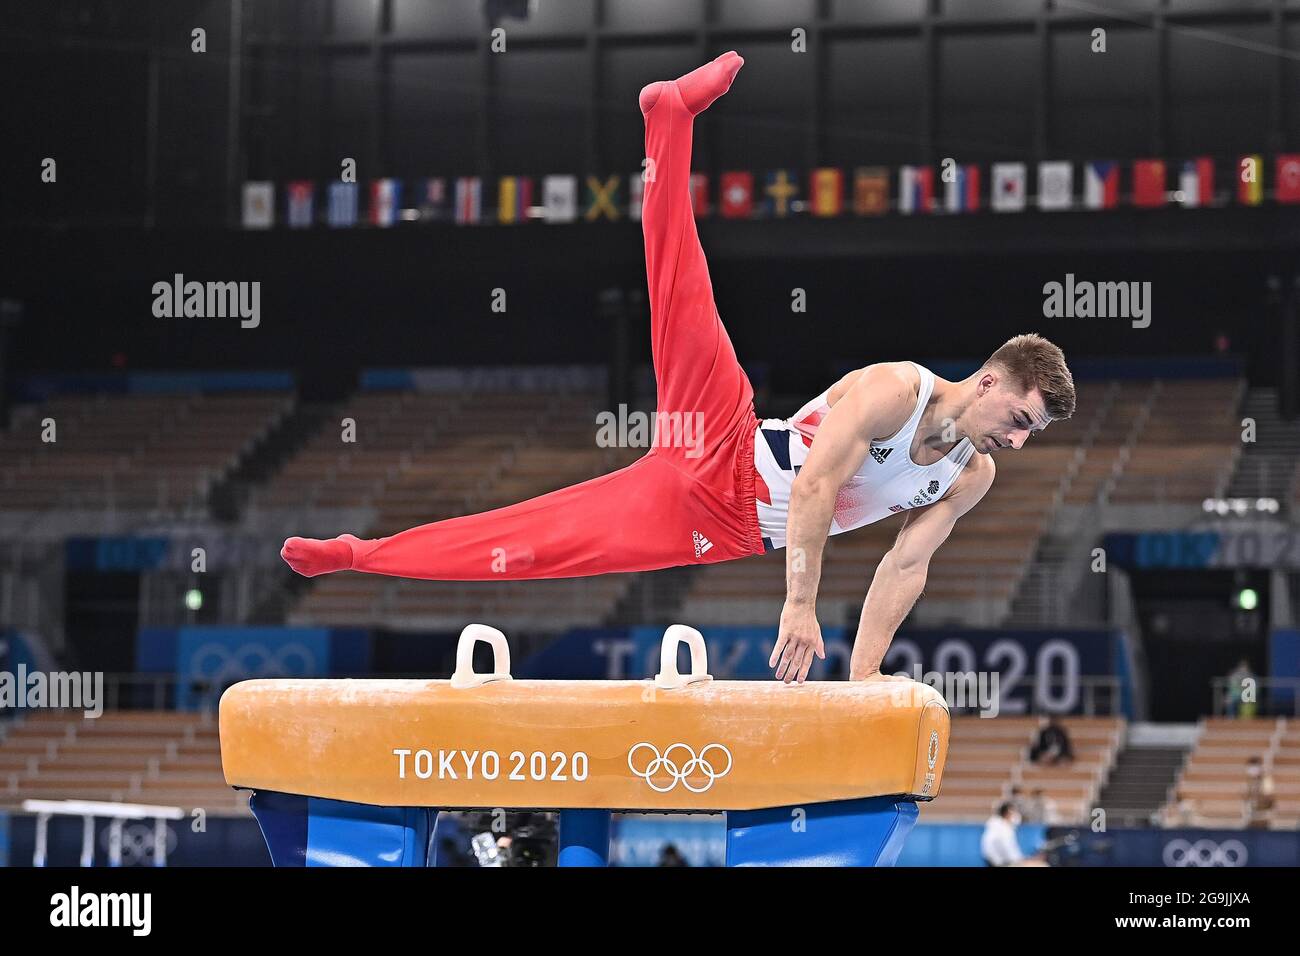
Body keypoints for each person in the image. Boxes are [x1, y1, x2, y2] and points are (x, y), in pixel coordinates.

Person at [280, 52, 1077, 684]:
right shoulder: (892, 390)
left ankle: (360, 554)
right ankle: (669, 117)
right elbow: (814, 488)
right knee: (680, 288)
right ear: (991, 381)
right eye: (1020, 418)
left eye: (1029, 432)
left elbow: (906, 565)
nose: (1017, 439)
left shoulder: (970, 478)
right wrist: (800, 606)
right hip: (724, 443)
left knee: (532, 548)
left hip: (711, 526)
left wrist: (863, 679)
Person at [981, 802, 1029, 867]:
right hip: (998, 861)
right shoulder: (1002, 828)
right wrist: (1019, 860)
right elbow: (1007, 848)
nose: (1016, 816)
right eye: (1013, 813)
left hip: (996, 859)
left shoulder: (1000, 825)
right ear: (1008, 813)